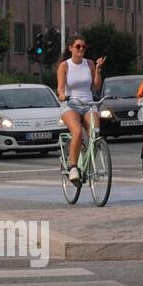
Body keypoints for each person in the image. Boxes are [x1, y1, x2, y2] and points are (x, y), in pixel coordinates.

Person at [56, 34, 105, 184]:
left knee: (95, 135)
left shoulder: (89, 63)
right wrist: (63, 95)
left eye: (84, 47)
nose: (81, 49)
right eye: (78, 46)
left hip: (88, 104)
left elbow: (96, 86)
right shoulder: (65, 65)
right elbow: (60, 87)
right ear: (71, 48)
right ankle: (73, 168)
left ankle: (89, 167)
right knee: (77, 131)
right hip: (71, 104)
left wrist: (97, 70)